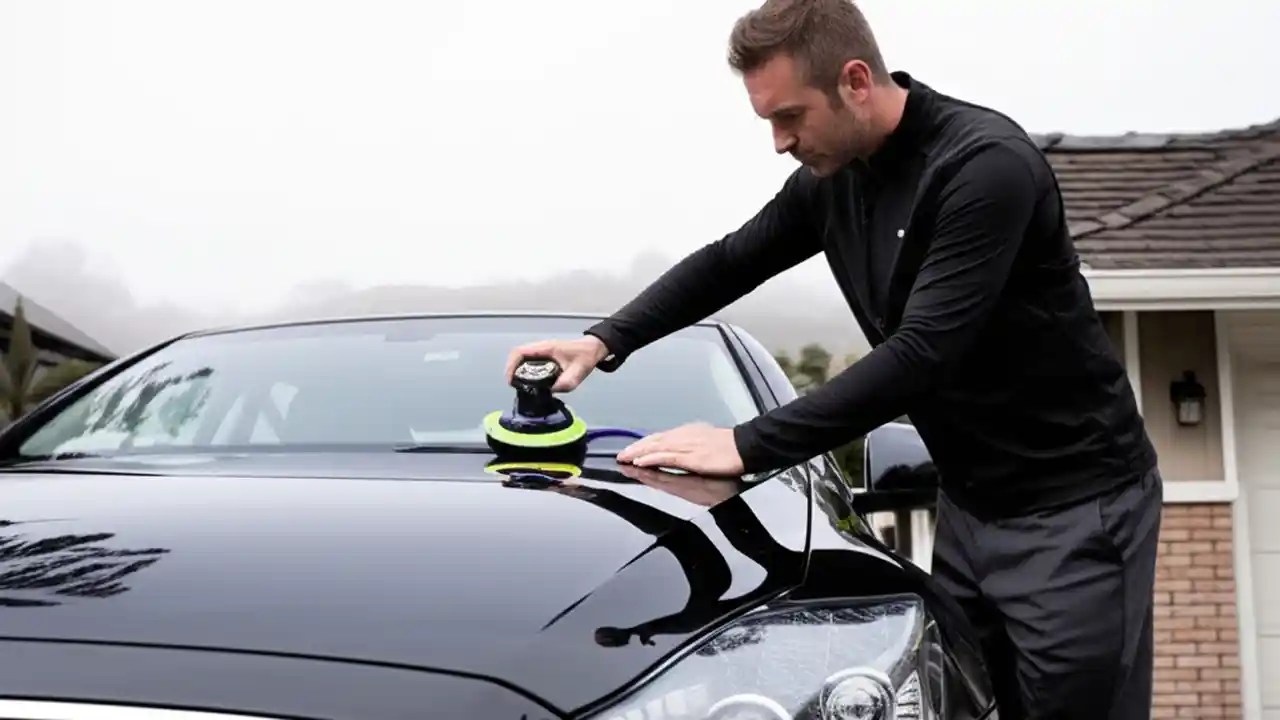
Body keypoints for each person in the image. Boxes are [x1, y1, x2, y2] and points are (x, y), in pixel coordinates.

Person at [503, 0, 1162, 717]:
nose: (780, 142)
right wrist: (605, 340)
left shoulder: (984, 168)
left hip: (1074, 511)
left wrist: (746, 444)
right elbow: (732, 260)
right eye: (768, 121)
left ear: (855, 81)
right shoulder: (835, 177)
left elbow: (923, 352)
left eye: (791, 116)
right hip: (970, 508)